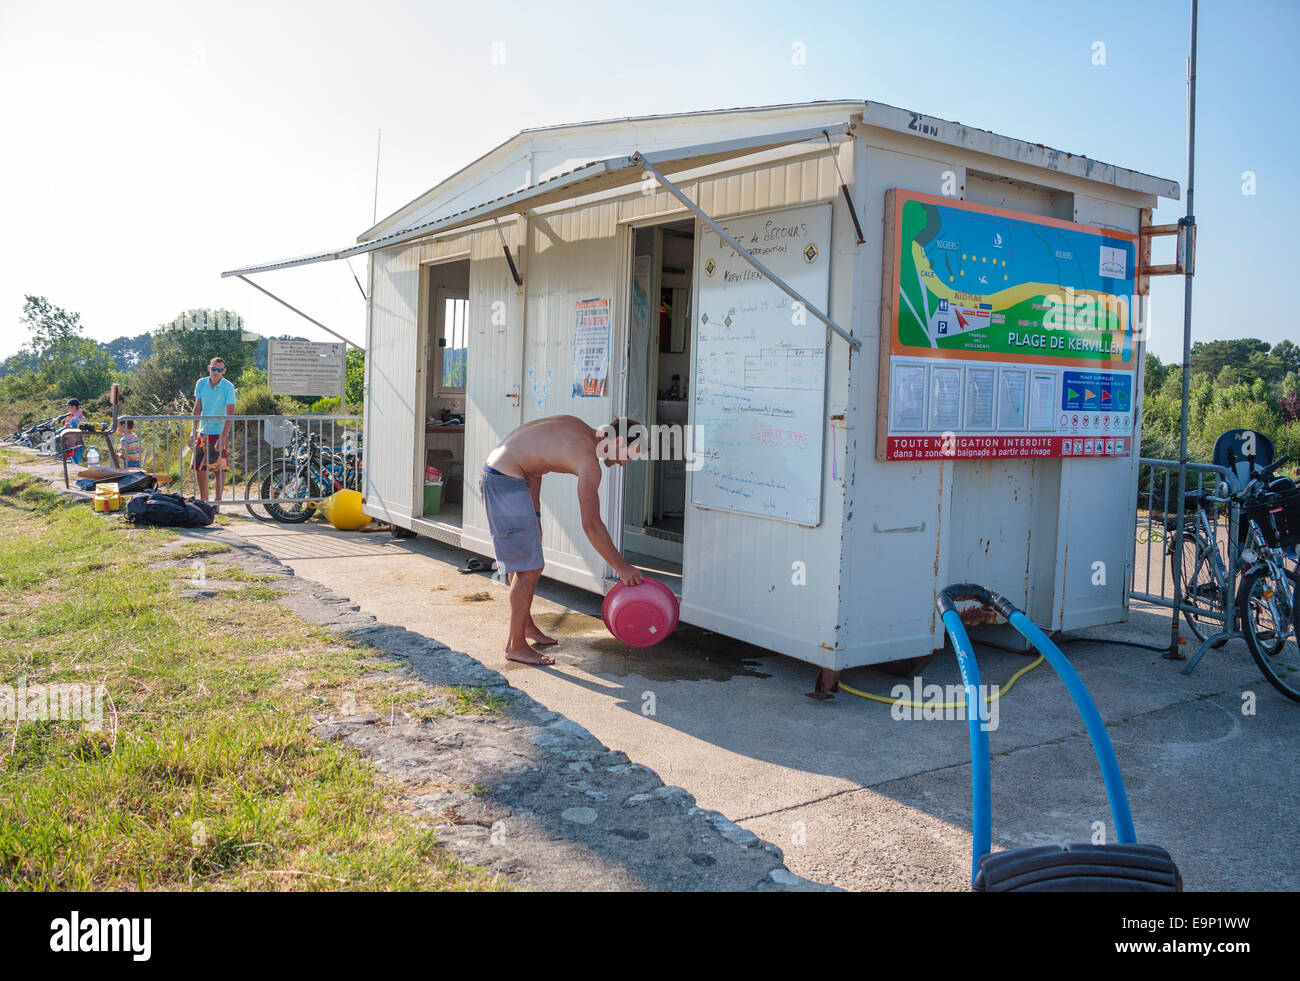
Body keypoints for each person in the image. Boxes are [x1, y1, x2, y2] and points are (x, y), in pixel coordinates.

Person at [480, 415, 645, 666]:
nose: (624, 463)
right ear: (619, 440)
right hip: (504, 481)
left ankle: (526, 628)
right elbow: (591, 525)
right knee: (529, 567)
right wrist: (621, 568)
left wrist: (535, 514)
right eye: (629, 455)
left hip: (508, 476)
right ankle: (515, 645)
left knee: (527, 561)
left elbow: (534, 460)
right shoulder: (590, 462)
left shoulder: (579, 427)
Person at [192, 357, 236, 509]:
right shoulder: (201, 383)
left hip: (219, 431)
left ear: (224, 371)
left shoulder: (228, 387)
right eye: (213, 369)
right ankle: (204, 501)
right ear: (208, 368)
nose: (216, 372)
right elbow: (197, 408)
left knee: (219, 468)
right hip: (204, 431)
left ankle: (217, 502)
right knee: (199, 467)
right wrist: (194, 429)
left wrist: (223, 437)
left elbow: (230, 414)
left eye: (219, 370)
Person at [61, 398, 86, 463]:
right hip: (69, 444)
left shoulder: (80, 418)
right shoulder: (69, 416)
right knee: (71, 463)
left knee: (76, 464)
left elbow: (81, 431)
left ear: (74, 407)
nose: (67, 408)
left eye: (68, 406)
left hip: (77, 445)